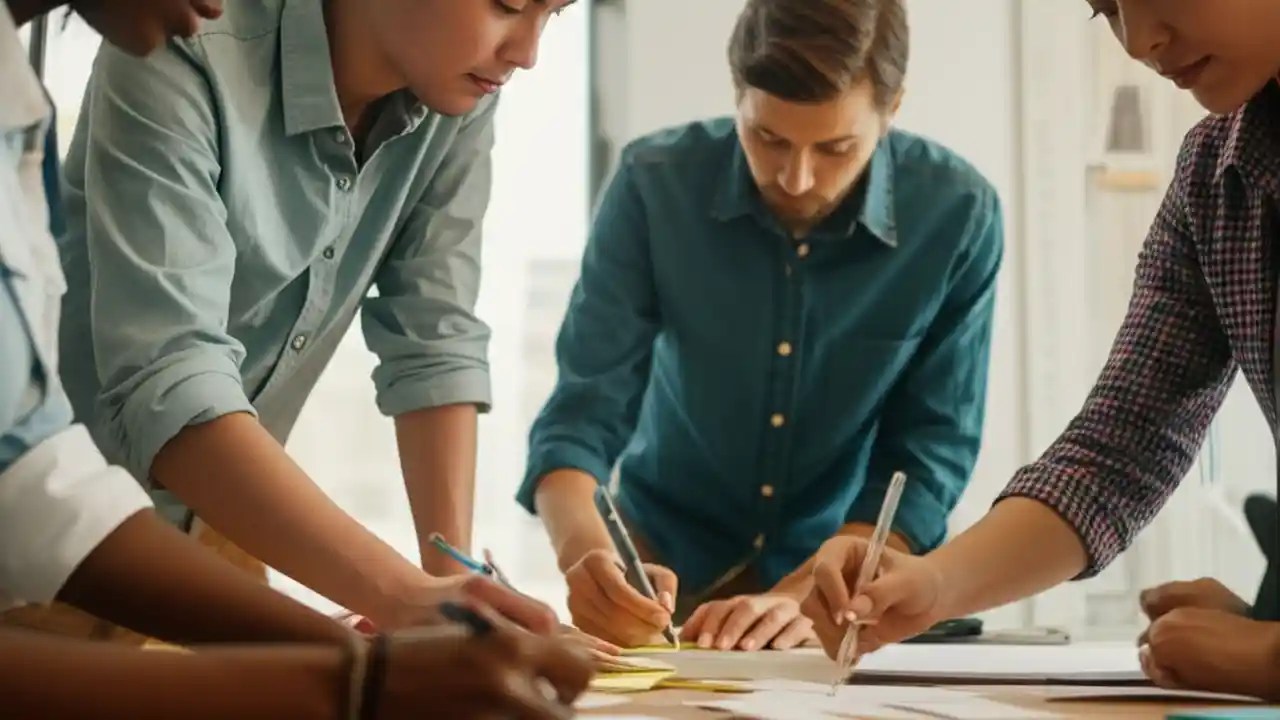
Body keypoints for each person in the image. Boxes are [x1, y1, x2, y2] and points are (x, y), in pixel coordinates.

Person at [0, 1, 590, 717]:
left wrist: (450, 602)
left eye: (553, 13)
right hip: (66, 552)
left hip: (191, 531)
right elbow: (166, 382)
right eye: (507, 4)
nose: (527, 53)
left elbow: (433, 334)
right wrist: (385, 635)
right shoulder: (179, 43)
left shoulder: (453, 86)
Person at [803, 0, 1280, 701]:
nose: (1139, 40)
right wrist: (933, 586)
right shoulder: (1215, 178)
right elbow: (1119, 448)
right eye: (1104, 9)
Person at [519, 0, 1003, 650]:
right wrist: (586, 558)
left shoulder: (958, 213)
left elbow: (927, 455)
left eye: (836, 148)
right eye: (767, 138)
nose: (797, 178)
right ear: (737, 96)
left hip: (837, 587)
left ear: (893, 109)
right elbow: (580, 417)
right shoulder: (651, 185)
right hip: (658, 575)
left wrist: (803, 597)